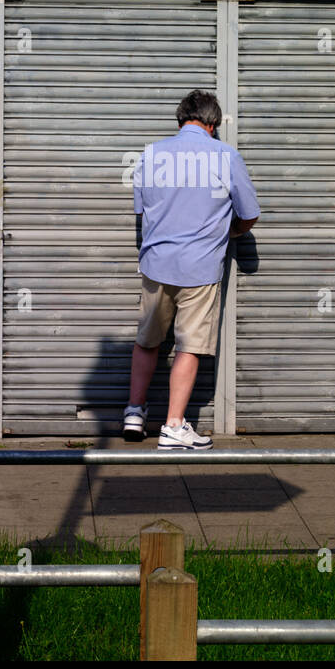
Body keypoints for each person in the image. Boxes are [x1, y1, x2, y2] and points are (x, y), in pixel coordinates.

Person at [123, 90, 260, 450]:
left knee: (146, 341)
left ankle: (134, 413)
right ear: (212, 124)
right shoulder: (226, 156)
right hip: (200, 268)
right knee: (189, 347)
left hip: (156, 264)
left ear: (180, 119)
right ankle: (173, 426)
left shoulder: (151, 153)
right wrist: (227, 232)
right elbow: (249, 215)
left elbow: (141, 209)